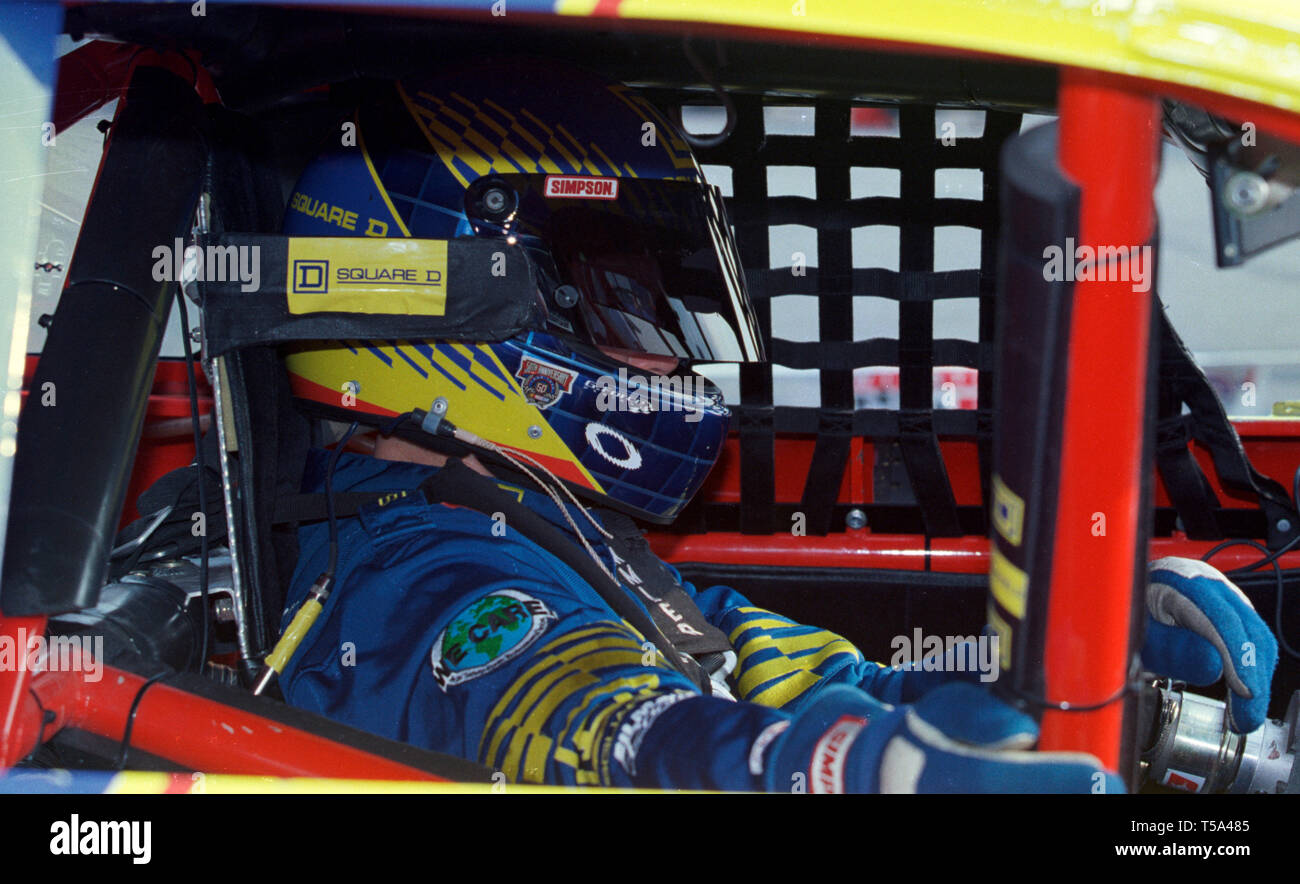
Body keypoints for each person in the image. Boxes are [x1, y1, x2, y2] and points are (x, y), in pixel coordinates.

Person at [271, 64, 1278, 792]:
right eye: (615, 304)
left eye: (656, 305)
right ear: (447, 305)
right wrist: (827, 765)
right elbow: (597, 722)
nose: (666, 361)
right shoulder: (408, 574)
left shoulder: (557, 532)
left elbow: (799, 672)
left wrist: (1079, 670)